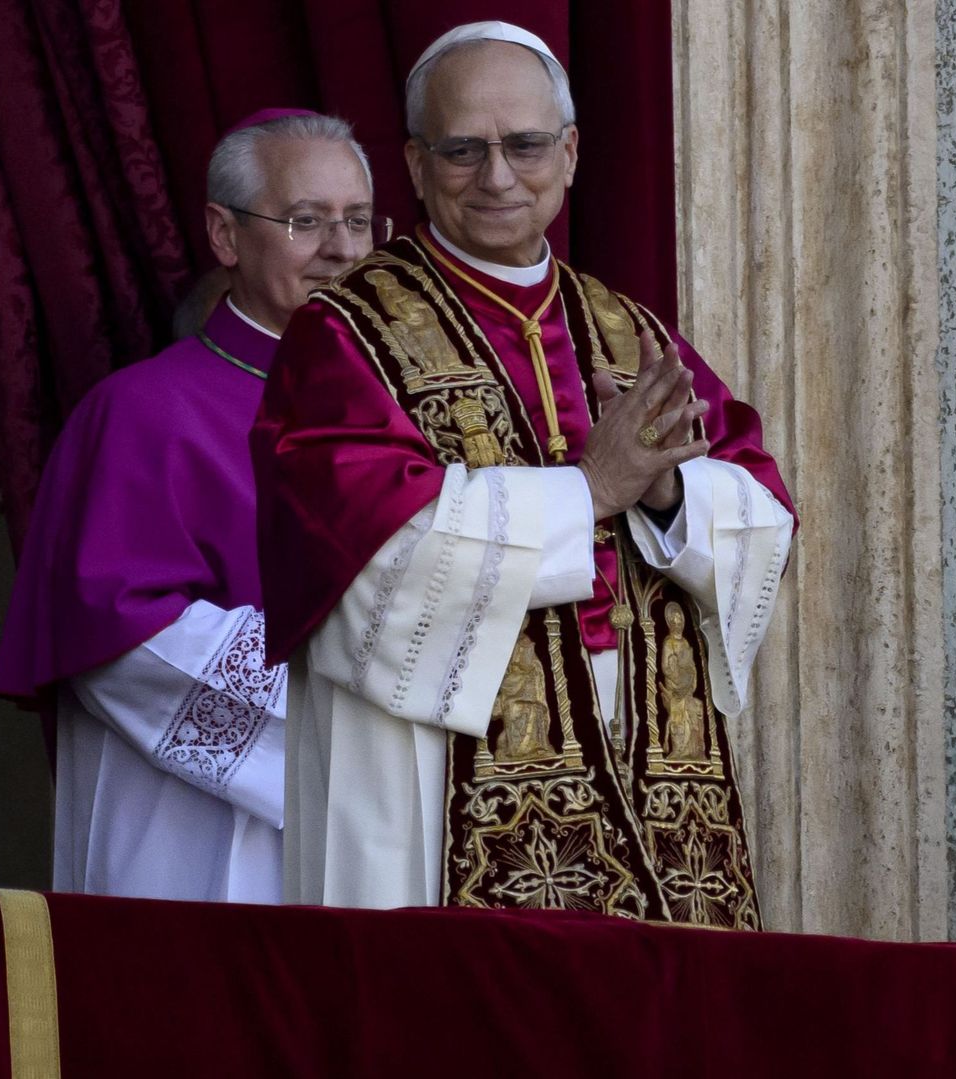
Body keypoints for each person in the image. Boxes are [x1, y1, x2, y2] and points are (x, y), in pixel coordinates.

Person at [253, 23, 796, 929]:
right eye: (463, 149)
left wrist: (666, 492)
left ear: (571, 152)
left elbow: (765, 511)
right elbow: (365, 553)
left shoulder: (634, 331)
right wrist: (591, 491)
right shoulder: (345, 333)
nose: (498, 176)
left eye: (526, 145)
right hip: (433, 769)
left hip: (642, 764)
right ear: (417, 167)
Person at [0, 109, 379, 902]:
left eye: (360, 221)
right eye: (307, 221)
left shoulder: (410, 410)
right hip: (200, 848)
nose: (341, 249)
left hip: (382, 851)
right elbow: (120, 640)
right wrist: (365, 705)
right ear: (225, 236)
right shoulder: (141, 413)